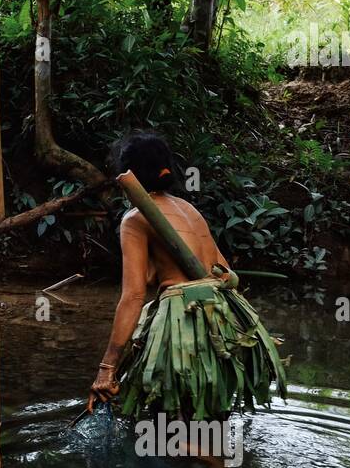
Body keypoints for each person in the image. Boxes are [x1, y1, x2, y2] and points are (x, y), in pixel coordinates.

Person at [88, 131, 286, 421]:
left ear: (129, 175)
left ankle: (215, 465)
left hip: (183, 326)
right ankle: (223, 465)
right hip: (221, 323)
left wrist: (107, 368)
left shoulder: (135, 219)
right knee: (208, 424)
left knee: (175, 430)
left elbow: (132, 296)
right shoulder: (190, 210)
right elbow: (223, 270)